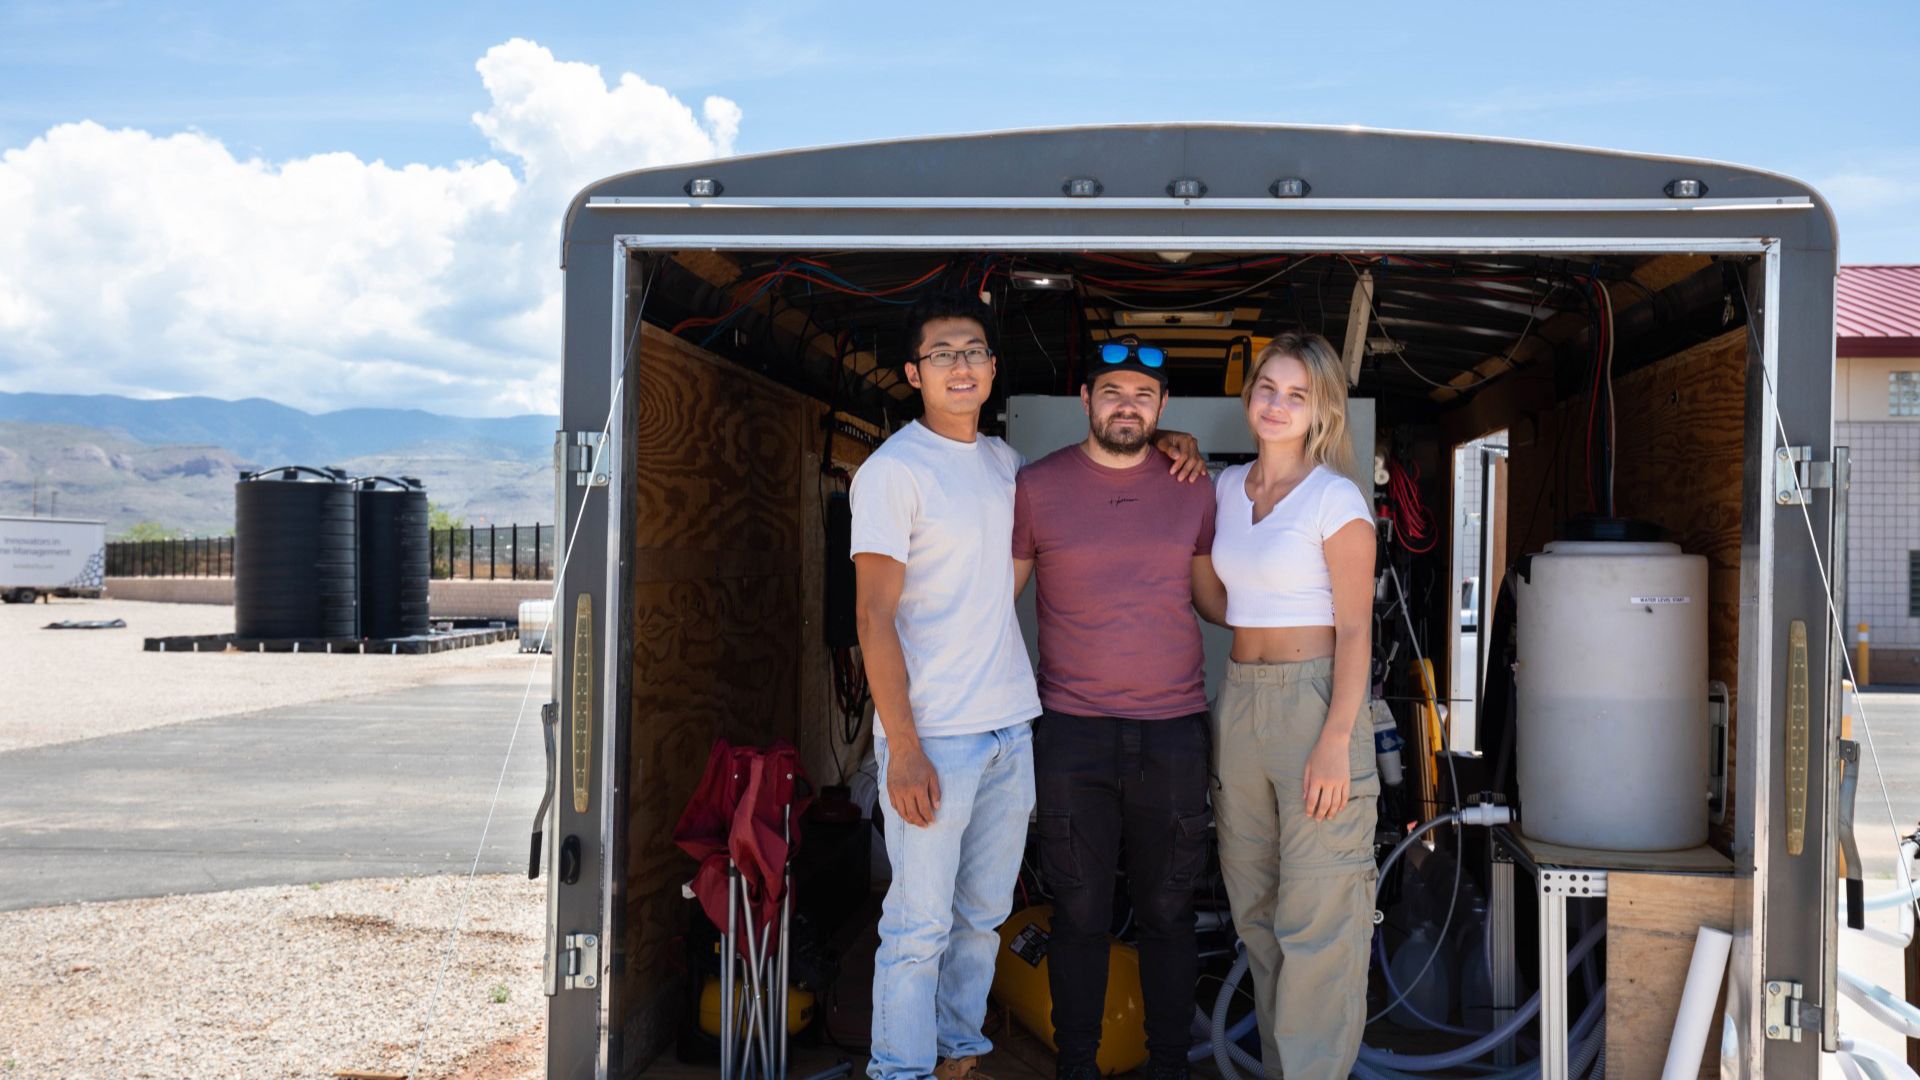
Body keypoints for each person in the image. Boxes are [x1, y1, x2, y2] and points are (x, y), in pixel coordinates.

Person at [851, 296, 1202, 1080]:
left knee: (981, 919)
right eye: (942, 353)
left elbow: (1108, 472)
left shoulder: (1008, 467)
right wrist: (901, 747)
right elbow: (872, 618)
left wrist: (1173, 443)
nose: (961, 365)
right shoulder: (891, 472)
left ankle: (957, 1056)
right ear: (914, 374)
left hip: (1011, 726)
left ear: (993, 369)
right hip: (935, 733)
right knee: (917, 927)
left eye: (973, 350)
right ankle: (898, 1069)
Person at [1011, 337, 1217, 1080]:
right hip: (1072, 733)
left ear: (1162, 409)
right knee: (1079, 915)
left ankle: (1170, 1066)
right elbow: (996, 602)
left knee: (1168, 915)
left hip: (1173, 734)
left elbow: (1214, 596)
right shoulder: (1036, 487)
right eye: (1111, 392)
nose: (1126, 405)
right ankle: (1077, 1068)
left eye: (1142, 396)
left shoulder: (1195, 485)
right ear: (1085, 401)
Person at [1191, 331, 1378, 1080]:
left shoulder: (1336, 498)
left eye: (1296, 395)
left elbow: (1358, 626)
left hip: (1315, 703)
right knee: (1258, 915)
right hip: (1239, 703)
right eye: (1268, 387)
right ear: (1249, 395)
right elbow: (1215, 603)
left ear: (1320, 410)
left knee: (1319, 917)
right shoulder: (1223, 490)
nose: (1276, 404)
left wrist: (1336, 738)